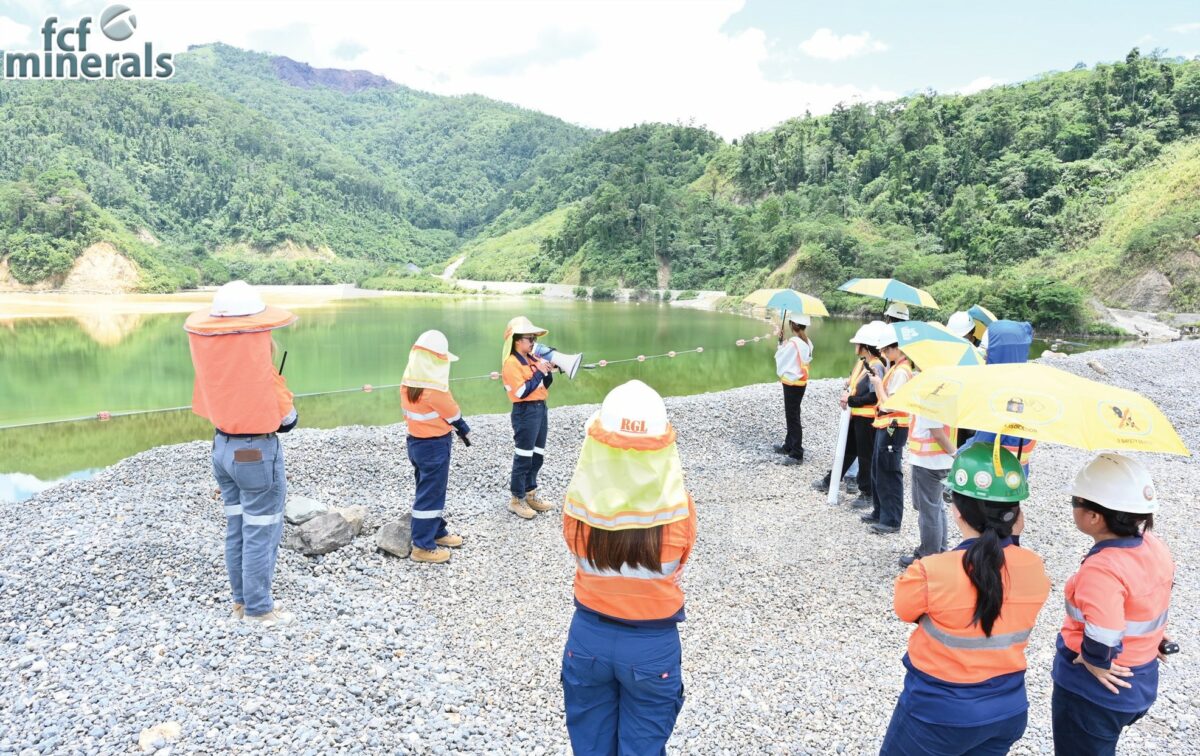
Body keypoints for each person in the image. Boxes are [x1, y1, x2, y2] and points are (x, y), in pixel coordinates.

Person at [881, 444, 1051, 755]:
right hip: (1007, 710)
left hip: (938, 714)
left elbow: (904, 609)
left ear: (956, 508)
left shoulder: (931, 571)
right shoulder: (1034, 567)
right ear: (1016, 512)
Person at [561, 380, 697, 756]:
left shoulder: (579, 500)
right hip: (652, 646)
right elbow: (680, 560)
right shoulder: (678, 506)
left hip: (588, 636)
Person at [185, 280, 300, 627]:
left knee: (237, 525)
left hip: (221, 448)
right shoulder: (264, 375)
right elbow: (288, 421)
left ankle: (240, 602)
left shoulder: (212, 368)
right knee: (261, 529)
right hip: (254, 454)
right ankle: (259, 609)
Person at [1051, 453, 1175, 756]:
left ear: (1094, 516)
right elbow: (1147, 601)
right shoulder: (1152, 545)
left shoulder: (1103, 568)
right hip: (1141, 678)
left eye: (1075, 502)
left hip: (1095, 696)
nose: (1073, 508)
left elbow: (1104, 632)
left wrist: (1097, 661)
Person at [400, 330, 471, 564]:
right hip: (434, 446)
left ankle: (437, 532)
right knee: (431, 495)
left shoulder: (407, 385)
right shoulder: (435, 391)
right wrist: (464, 428)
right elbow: (454, 414)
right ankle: (422, 546)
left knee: (428, 489)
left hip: (416, 443)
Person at [813, 321, 885, 505]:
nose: (855, 346)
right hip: (856, 416)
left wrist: (852, 400)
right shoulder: (863, 363)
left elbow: (874, 396)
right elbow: (857, 385)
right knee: (849, 451)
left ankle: (867, 493)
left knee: (865, 455)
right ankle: (831, 481)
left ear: (865, 346)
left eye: (857, 343)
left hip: (867, 418)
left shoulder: (877, 366)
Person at [501, 315, 555, 519]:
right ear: (516, 340)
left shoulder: (533, 359)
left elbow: (542, 387)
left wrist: (546, 373)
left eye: (534, 339)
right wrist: (539, 373)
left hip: (540, 409)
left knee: (537, 454)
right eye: (529, 339)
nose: (533, 342)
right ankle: (516, 499)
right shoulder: (511, 364)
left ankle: (530, 493)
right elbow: (522, 392)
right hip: (525, 412)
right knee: (523, 456)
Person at [864, 324, 912, 534]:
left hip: (894, 426)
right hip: (886, 425)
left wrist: (876, 385)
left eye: (886, 350)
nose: (883, 353)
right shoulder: (895, 367)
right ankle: (880, 511)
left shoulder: (902, 371)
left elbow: (891, 403)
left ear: (896, 348)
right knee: (878, 469)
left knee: (889, 472)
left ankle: (891, 520)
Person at [900, 411, 956, 567]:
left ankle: (928, 556)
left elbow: (936, 433)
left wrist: (956, 455)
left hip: (927, 461)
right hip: (941, 461)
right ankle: (940, 550)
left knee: (929, 511)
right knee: (937, 508)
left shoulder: (931, 397)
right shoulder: (950, 396)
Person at [773, 313, 813, 464]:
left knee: (792, 416)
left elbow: (781, 357)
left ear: (792, 325)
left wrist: (780, 344)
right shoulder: (807, 342)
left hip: (791, 383)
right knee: (794, 414)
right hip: (800, 383)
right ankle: (788, 445)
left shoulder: (794, 342)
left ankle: (796, 452)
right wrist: (784, 343)